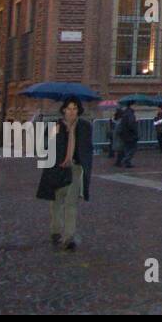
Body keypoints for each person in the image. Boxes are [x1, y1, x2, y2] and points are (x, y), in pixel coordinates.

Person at [37, 96, 93, 251]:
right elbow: (47, 146)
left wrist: (73, 135)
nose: (71, 112)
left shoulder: (84, 126)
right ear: (63, 110)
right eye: (69, 108)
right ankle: (56, 230)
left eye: (75, 108)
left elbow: (87, 149)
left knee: (71, 204)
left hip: (74, 169)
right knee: (56, 201)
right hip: (56, 168)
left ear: (79, 110)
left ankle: (68, 237)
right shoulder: (55, 126)